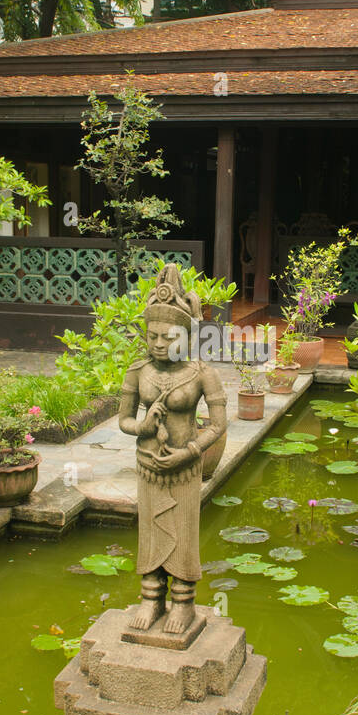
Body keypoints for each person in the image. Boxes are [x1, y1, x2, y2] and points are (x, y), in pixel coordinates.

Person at [118, 265, 227, 633]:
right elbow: (124, 421)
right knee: (149, 533)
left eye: (168, 337)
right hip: (148, 464)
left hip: (183, 467)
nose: (159, 344)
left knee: (182, 534)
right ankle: (151, 598)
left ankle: (183, 602)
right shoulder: (137, 371)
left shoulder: (201, 373)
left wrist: (191, 451)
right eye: (152, 337)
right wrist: (144, 426)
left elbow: (218, 424)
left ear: (186, 336)